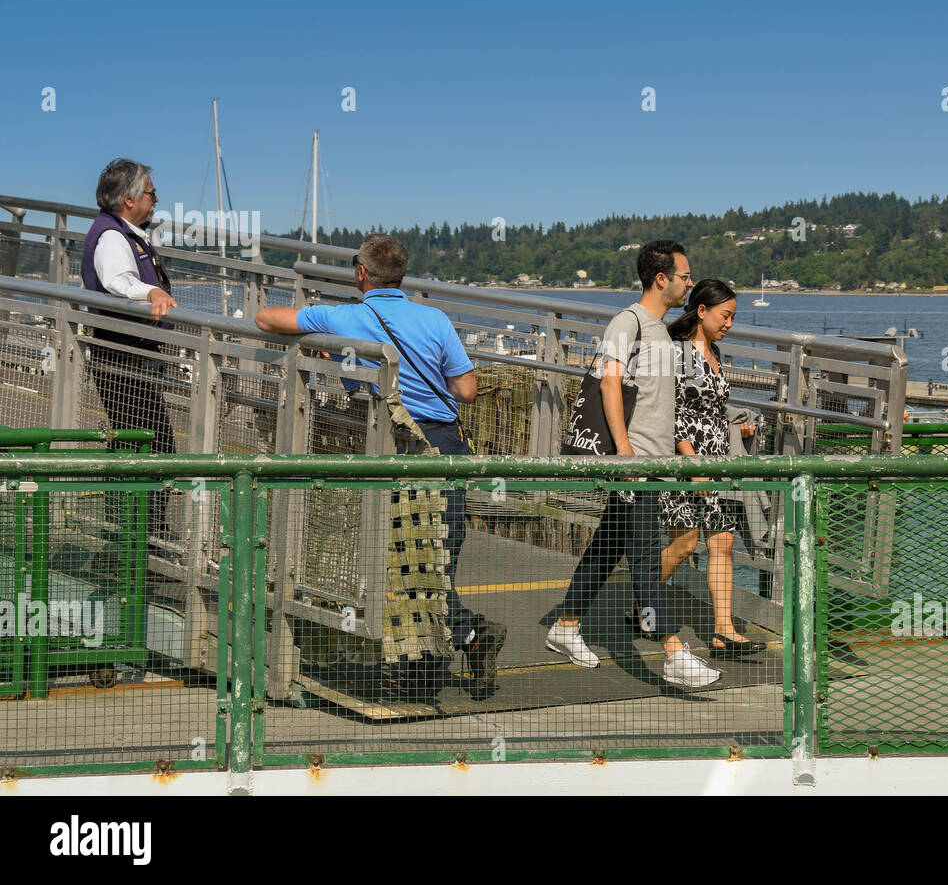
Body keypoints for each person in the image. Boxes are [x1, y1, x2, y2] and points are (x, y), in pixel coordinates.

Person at [254, 234, 506, 699]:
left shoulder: (346, 316)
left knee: (401, 555)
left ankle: (456, 642)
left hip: (396, 443)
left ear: (361, 273)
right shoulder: (434, 318)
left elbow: (265, 317)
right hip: (446, 441)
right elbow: (467, 390)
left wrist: (329, 343)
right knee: (440, 550)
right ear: (401, 274)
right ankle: (451, 649)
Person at [546, 240, 722, 688]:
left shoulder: (661, 331)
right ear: (661, 278)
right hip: (635, 460)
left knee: (607, 547)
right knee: (644, 553)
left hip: (654, 459)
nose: (688, 282)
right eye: (684, 276)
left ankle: (565, 627)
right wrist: (624, 452)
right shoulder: (629, 322)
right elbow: (610, 382)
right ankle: (672, 650)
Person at [657, 279, 764, 658]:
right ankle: (644, 602)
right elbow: (671, 413)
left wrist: (740, 428)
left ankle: (724, 631)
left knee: (723, 543)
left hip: (716, 460)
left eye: (733, 317)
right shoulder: (676, 353)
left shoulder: (715, 351)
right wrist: (692, 465)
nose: (729, 323)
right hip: (687, 461)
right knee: (684, 544)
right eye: (725, 315)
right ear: (701, 311)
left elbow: (713, 409)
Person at [80, 158, 179, 540]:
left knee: (145, 446)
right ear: (129, 199)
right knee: (153, 448)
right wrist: (150, 290)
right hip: (120, 358)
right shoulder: (111, 237)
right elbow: (116, 279)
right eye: (151, 192)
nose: (156, 198)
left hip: (131, 358)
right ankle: (142, 540)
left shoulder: (126, 231)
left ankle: (140, 536)